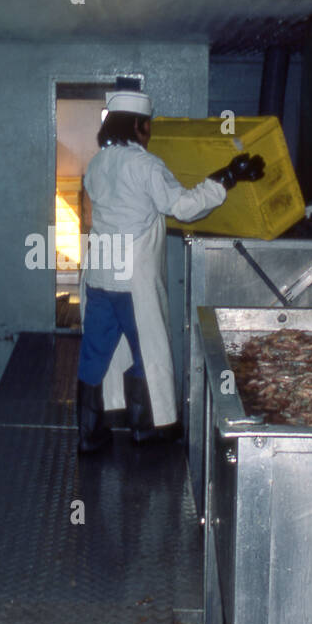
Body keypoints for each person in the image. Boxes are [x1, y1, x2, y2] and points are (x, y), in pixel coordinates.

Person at [76, 90, 265, 453]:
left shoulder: (98, 162)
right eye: (147, 126)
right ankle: (147, 428)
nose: (148, 133)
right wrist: (227, 178)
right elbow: (181, 206)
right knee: (148, 349)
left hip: (99, 273)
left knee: (95, 353)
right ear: (138, 125)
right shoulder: (146, 164)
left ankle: (89, 435)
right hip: (133, 279)